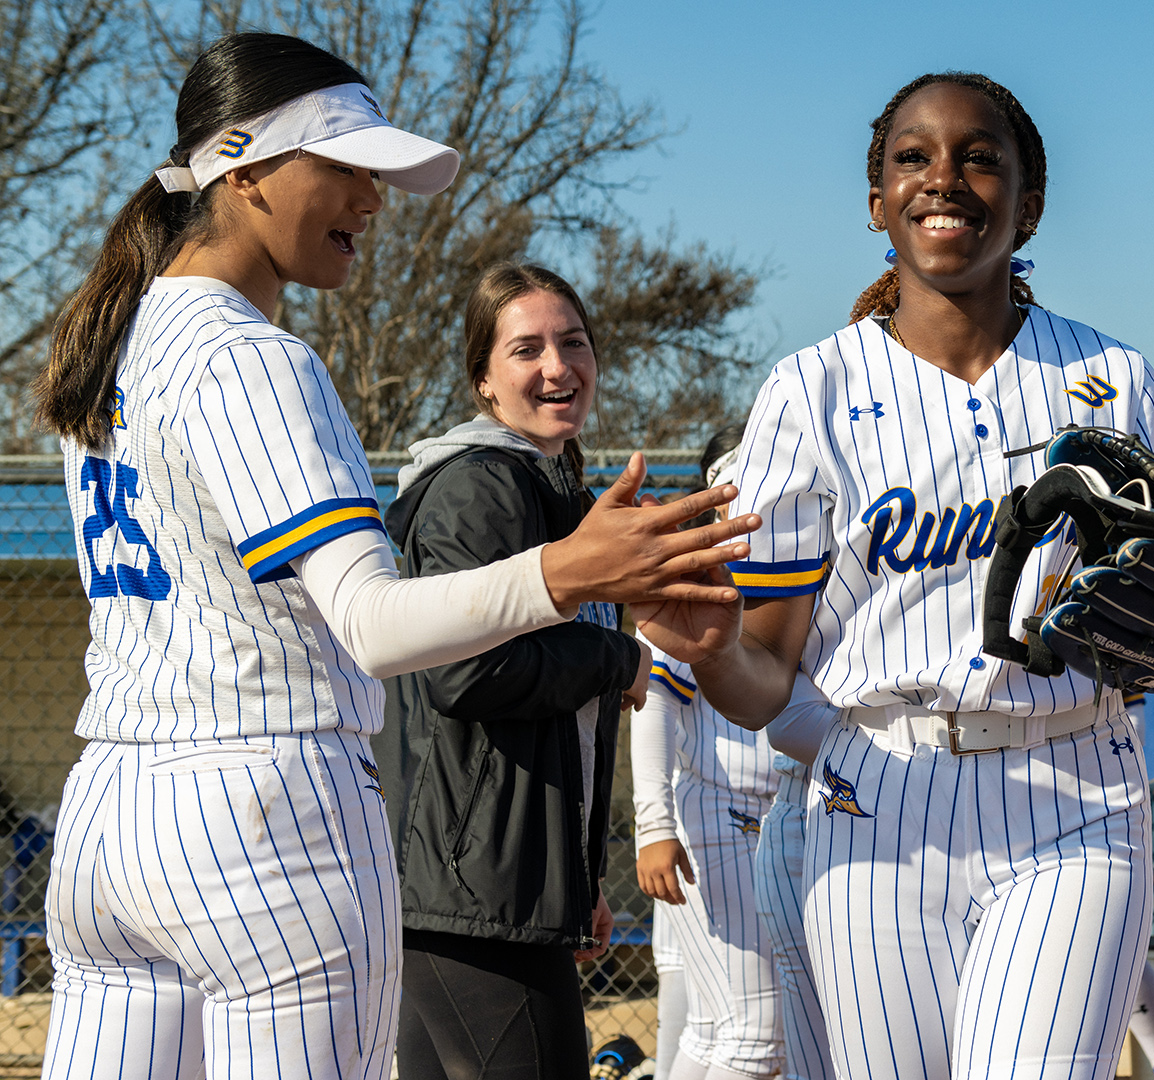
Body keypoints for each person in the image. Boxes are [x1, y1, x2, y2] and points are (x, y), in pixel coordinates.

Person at [30, 33, 754, 1080]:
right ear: (245, 170)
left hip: (109, 811)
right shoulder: (251, 355)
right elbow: (371, 625)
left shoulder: (111, 337)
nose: (373, 198)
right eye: (347, 167)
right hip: (262, 809)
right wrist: (570, 572)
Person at [676, 72, 1154, 1080]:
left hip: (1074, 788)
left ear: (1029, 201)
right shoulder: (810, 390)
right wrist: (703, 648)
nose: (944, 177)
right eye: (913, 157)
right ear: (877, 201)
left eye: (979, 156)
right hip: (880, 792)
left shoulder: (1113, 378)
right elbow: (764, 681)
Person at [379, 263, 652, 1078]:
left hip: (493, 889)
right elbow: (463, 672)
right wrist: (619, 657)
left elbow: (560, 732)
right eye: (526, 348)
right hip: (469, 897)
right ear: (484, 382)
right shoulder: (482, 484)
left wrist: (579, 880)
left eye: (573, 343)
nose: (557, 366)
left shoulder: (555, 492)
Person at [632, 426, 802, 1080]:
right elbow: (656, 703)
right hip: (724, 814)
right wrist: (654, 826)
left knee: (717, 1029)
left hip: (782, 817)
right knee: (755, 1034)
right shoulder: (705, 574)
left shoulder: (797, 564)